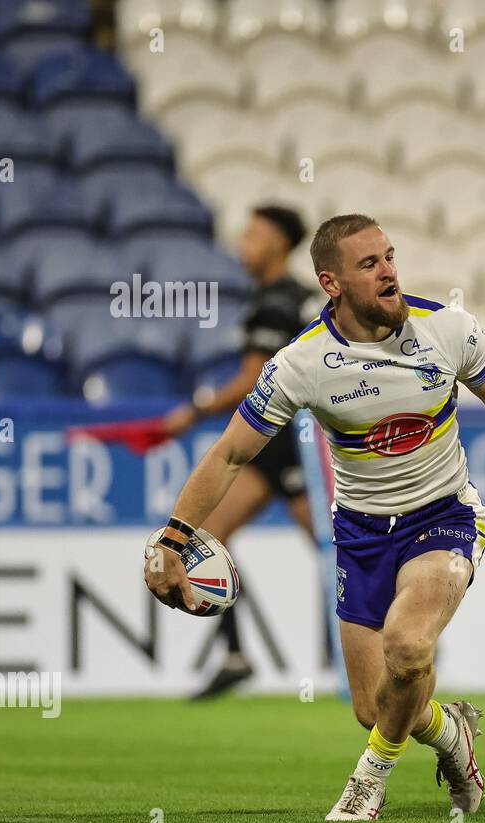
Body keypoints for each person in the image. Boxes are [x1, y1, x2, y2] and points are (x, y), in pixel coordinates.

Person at [145, 214, 485, 821]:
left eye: (390, 256)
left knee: (407, 644)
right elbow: (230, 454)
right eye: (370, 264)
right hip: (360, 535)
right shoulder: (302, 364)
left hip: (444, 517)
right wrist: (175, 539)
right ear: (331, 283)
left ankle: (368, 783)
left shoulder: (447, 329)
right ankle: (451, 735)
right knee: (377, 707)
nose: (389, 270)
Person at [163, 205, 315, 699]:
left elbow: (255, 381)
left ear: (277, 243)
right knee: (211, 537)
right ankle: (235, 655)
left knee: (335, 546)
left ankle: (400, 636)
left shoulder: (276, 302)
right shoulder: (287, 297)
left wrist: (196, 410)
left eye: (253, 233)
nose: (242, 242)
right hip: (275, 445)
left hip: (286, 440)